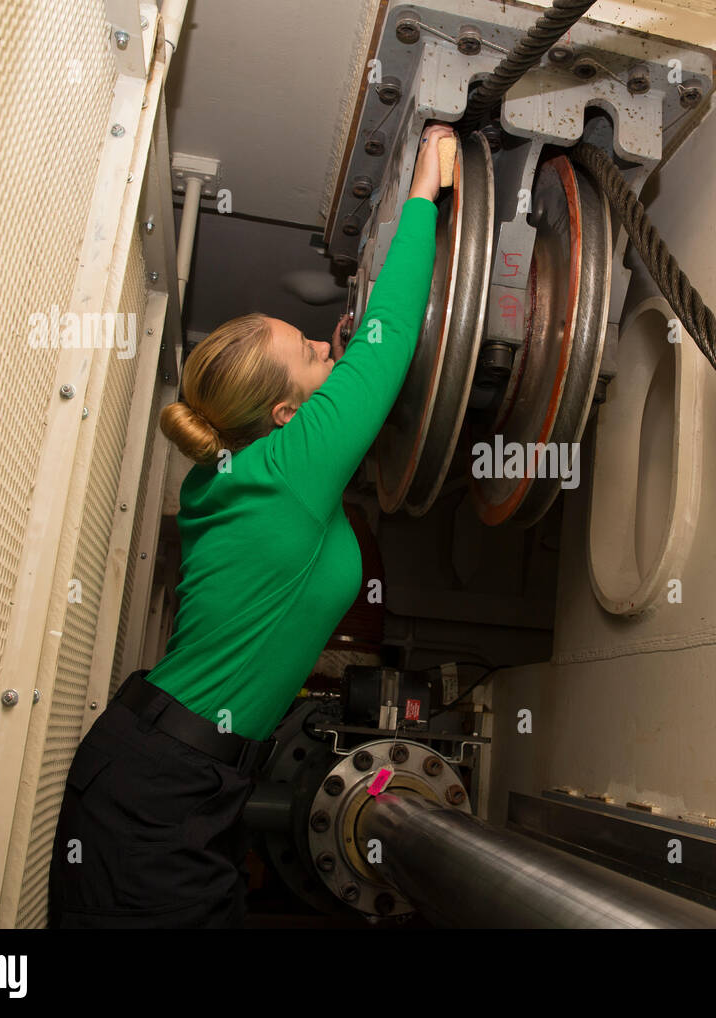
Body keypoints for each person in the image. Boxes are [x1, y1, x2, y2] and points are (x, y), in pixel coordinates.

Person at [47, 121, 456, 928]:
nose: (325, 349)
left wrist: (326, 365)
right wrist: (423, 193)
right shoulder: (286, 470)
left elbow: (343, 391)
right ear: (284, 414)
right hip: (161, 791)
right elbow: (388, 341)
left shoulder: (233, 477)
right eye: (311, 350)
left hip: (173, 773)